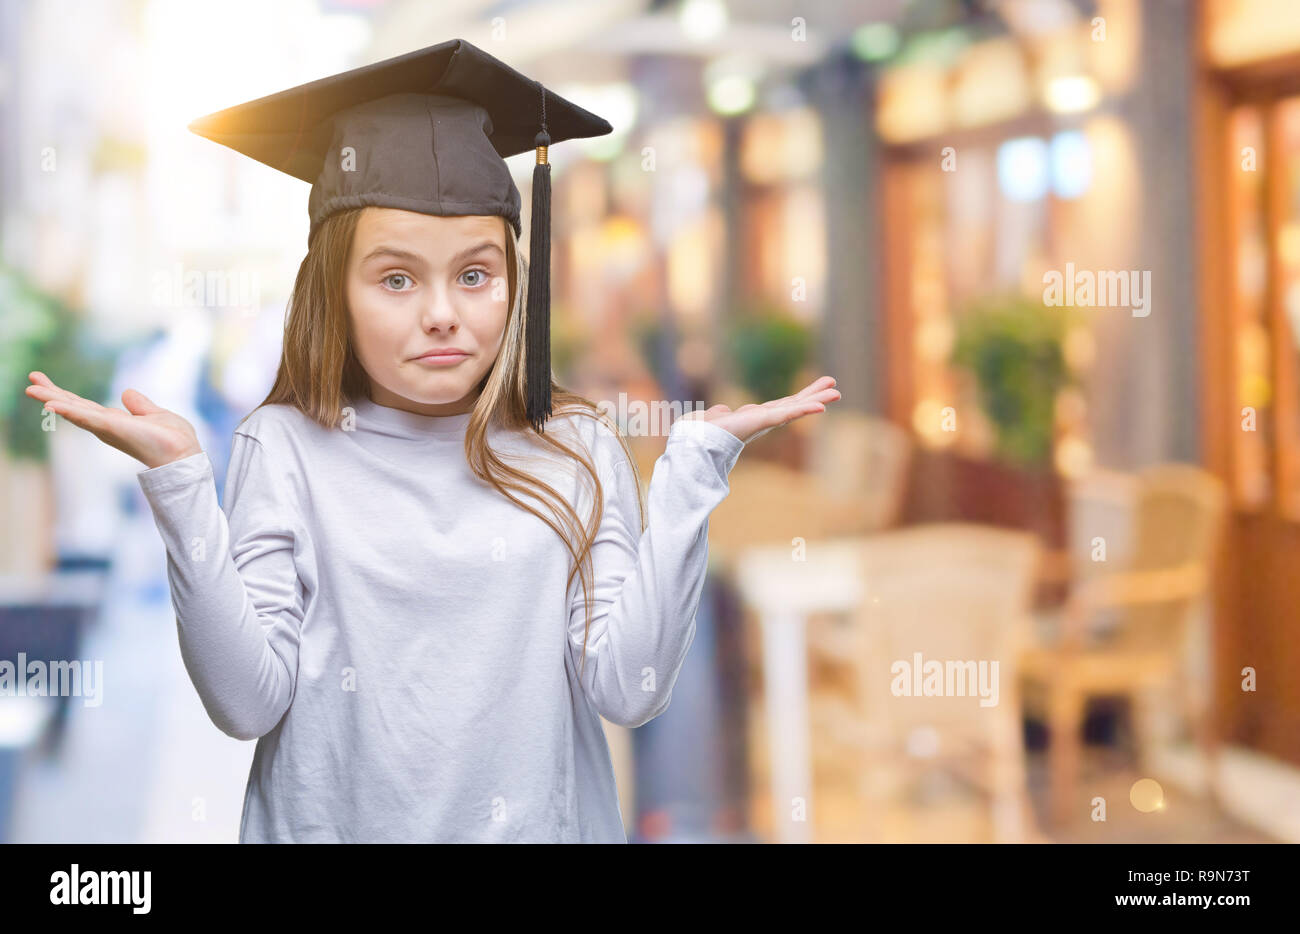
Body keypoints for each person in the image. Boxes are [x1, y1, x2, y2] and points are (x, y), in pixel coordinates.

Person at [23, 39, 840, 843]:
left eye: (476, 274)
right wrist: (181, 489)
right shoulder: (288, 448)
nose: (443, 312)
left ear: (516, 283)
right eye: (397, 278)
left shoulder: (576, 446)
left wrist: (690, 479)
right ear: (333, 292)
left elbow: (631, 689)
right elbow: (245, 704)